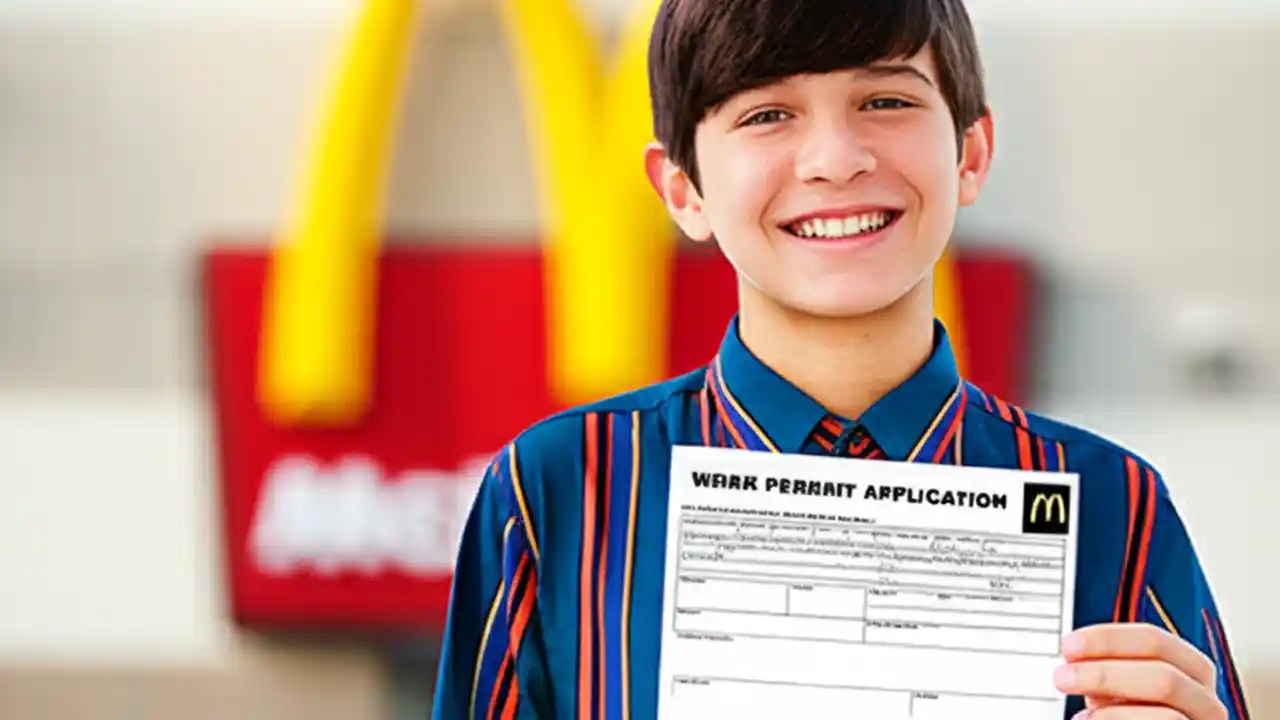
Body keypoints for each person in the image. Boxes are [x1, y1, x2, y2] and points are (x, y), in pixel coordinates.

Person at [433, 1, 1249, 717]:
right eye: (766, 115)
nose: (835, 158)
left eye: (885, 99)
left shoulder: (1115, 504)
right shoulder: (559, 490)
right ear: (682, 189)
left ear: (970, 152)